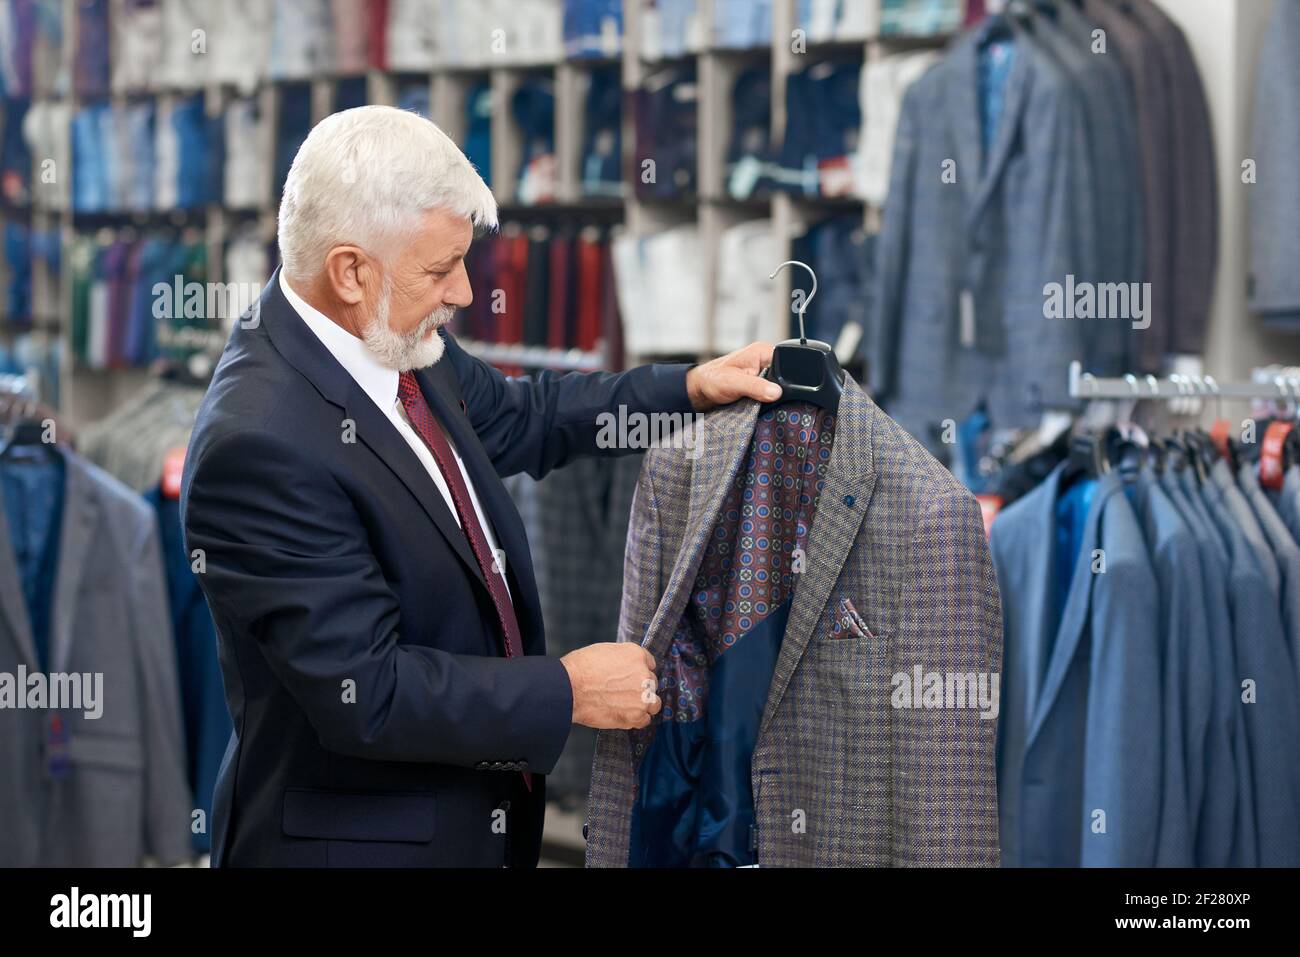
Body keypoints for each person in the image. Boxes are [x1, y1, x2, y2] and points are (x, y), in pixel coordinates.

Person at [181, 105, 780, 866]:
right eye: (440, 269)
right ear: (351, 270)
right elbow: (368, 693)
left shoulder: (389, 340)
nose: (465, 291)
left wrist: (688, 390)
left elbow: (529, 415)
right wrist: (565, 691)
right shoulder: (260, 442)